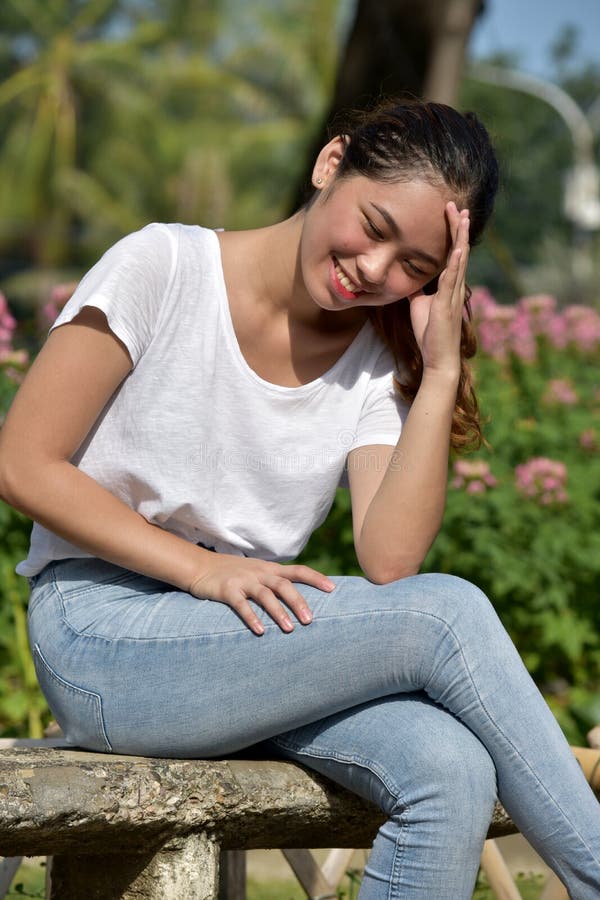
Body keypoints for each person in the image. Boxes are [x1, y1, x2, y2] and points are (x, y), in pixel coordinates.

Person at [0, 98, 598, 899]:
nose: (378, 271)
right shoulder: (163, 268)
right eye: (375, 225)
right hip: (102, 633)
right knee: (445, 613)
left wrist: (443, 370)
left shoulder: (376, 361)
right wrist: (201, 571)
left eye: (415, 266)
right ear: (329, 165)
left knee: (448, 768)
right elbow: (24, 465)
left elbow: (389, 557)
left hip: (247, 645)